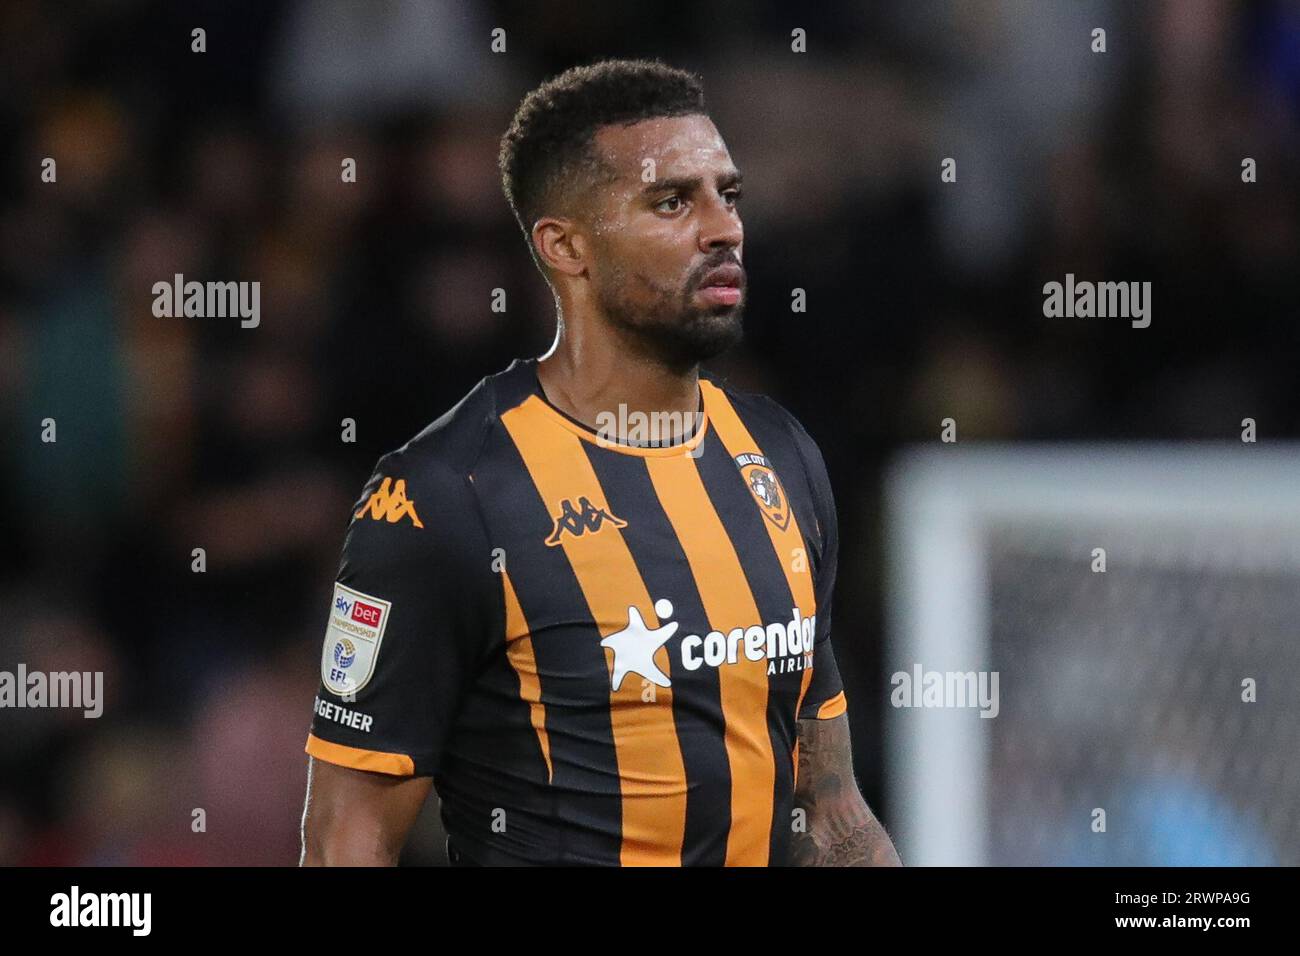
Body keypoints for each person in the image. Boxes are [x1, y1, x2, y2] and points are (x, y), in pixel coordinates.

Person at [300, 59, 901, 866]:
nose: (723, 228)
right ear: (567, 248)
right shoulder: (446, 495)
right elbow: (349, 839)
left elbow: (829, 808)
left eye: (729, 194)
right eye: (671, 201)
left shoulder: (781, 455)